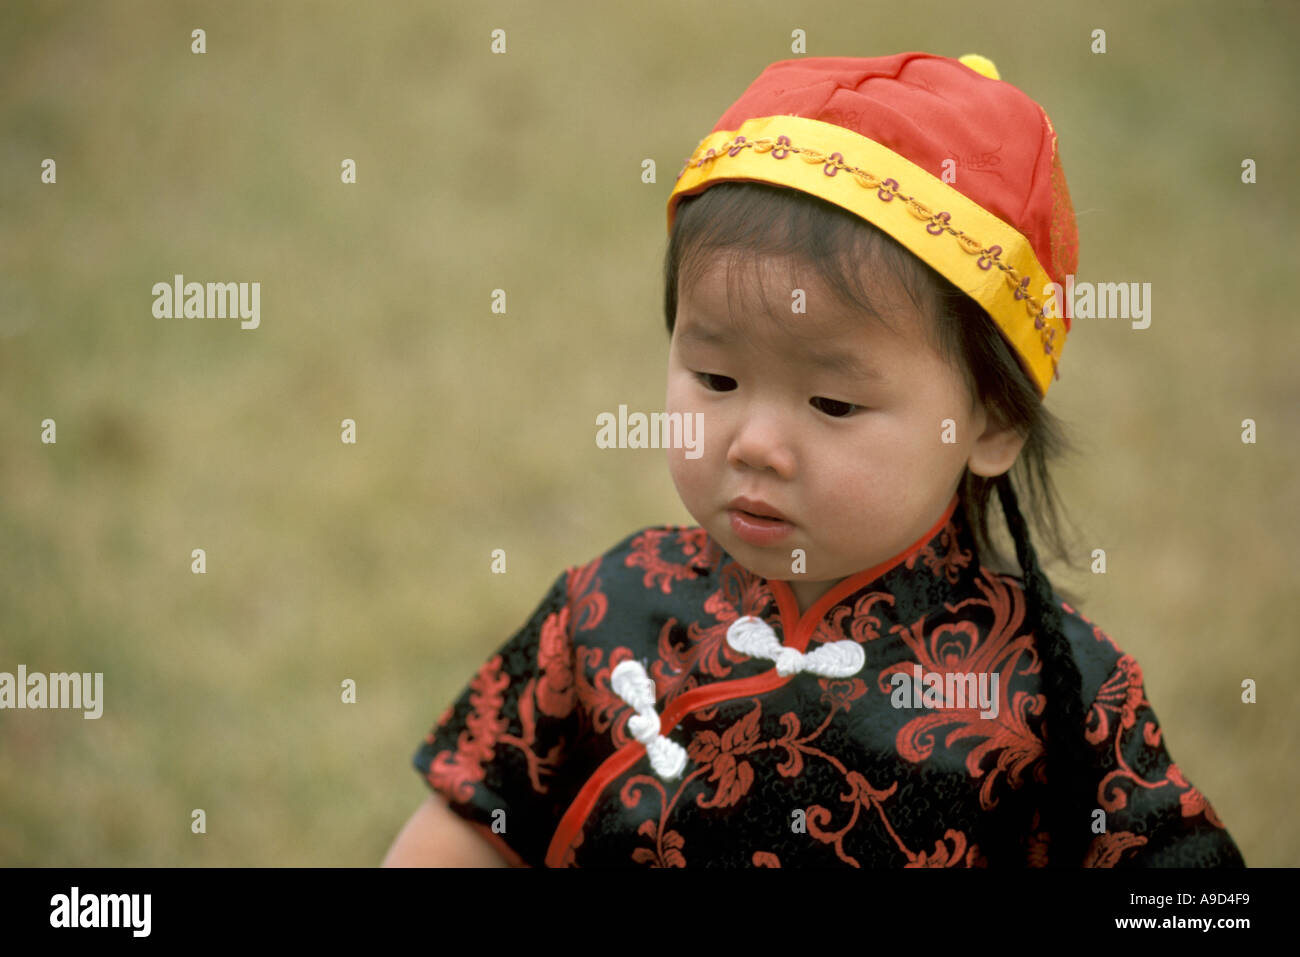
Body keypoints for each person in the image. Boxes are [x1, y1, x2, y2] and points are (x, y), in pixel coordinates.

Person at [383, 52, 1246, 868]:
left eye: (833, 403)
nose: (754, 442)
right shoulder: (607, 611)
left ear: (990, 422)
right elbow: (466, 831)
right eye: (716, 377)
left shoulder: (1050, 696)